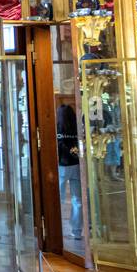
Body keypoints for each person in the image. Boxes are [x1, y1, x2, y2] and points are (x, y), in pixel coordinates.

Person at [57, 103, 82, 240]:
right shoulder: (77, 128)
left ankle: (57, 228)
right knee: (77, 200)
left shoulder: (57, 128)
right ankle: (77, 230)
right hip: (76, 164)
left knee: (58, 199)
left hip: (61, 165)